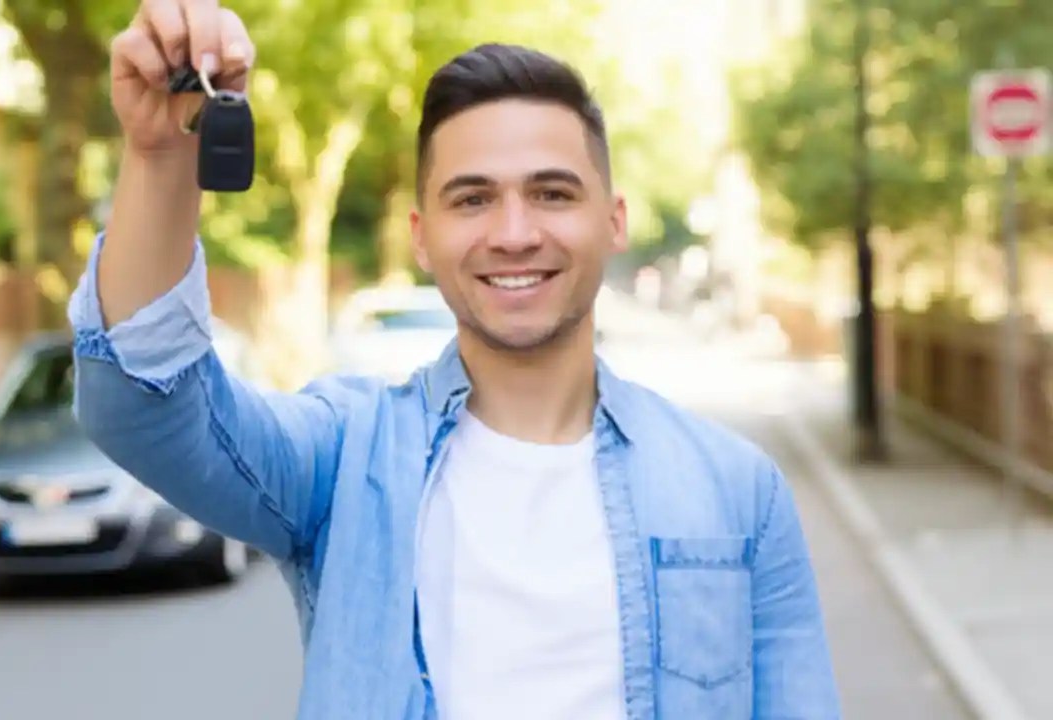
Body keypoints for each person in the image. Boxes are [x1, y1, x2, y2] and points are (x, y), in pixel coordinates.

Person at [68, 2, 841, 718]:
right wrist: (160, 155)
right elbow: (142, 405)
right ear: (421, 236)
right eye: (472, 199)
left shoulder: (738, 491)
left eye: (552, 194)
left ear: (613, 222)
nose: (513, 233)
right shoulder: (344, 459)